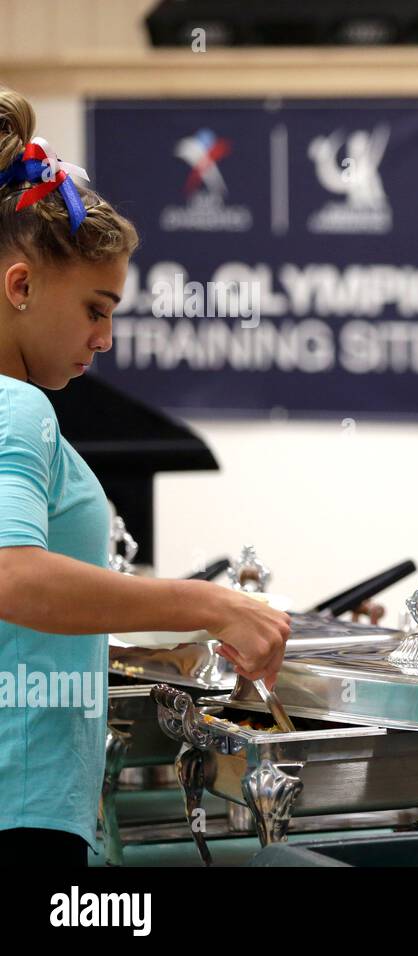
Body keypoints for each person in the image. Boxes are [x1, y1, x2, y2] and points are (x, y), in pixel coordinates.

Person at [0, 87, 291, 866]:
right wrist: (211, 605)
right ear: (21, 287)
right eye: (96, 308)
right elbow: (15, 577)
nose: (106, 337)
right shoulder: (15, 408)